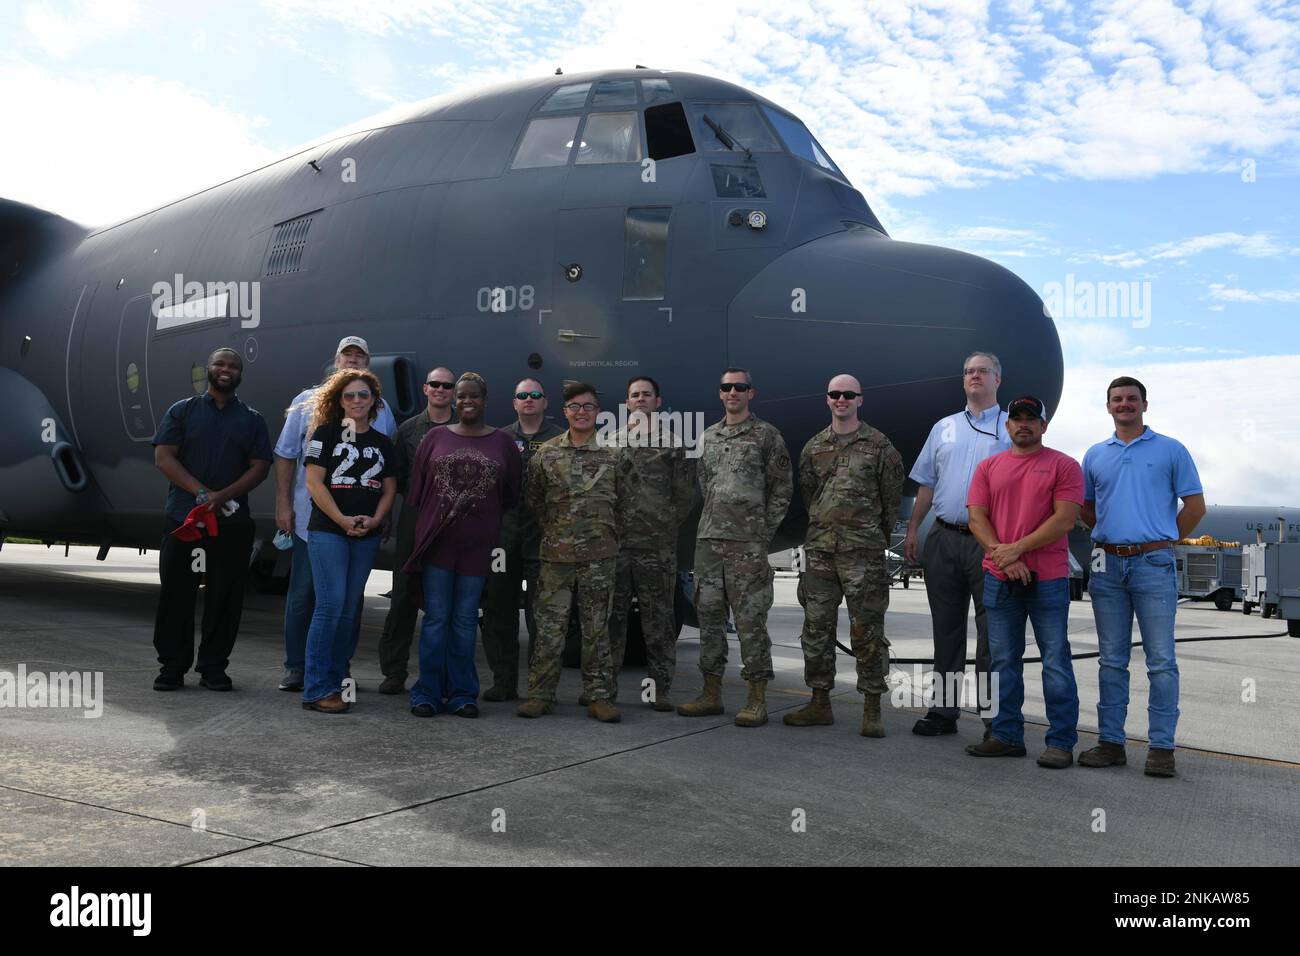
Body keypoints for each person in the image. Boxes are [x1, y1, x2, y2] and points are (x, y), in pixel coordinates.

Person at [1079, 377, 1205, 778]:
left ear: (1145, 405)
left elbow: (1195, 506)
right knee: (1111, 660)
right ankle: (1110, 743)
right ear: (1108, 407)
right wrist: (1113, 534)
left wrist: (1163, 539)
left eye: (1132, 398)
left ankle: (1162, 747)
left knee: (1161, 661)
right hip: (1108, 566)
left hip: (1154, 564)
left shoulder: (1171, 450)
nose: (1124, 404)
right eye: (1117, 399)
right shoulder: (1095, 455)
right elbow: (1085, 507)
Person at [964, 396, 1083, 767]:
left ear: (1044, 426)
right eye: (1017, 418)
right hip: (1000, 579)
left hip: (1047, 580)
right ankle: (1006, 735)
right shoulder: (988, 467)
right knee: (1002, 661)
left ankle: (1060, 742)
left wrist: (1015, 549)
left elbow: (1064, 520)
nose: (1023, 424)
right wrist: (1004, 556)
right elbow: (977, 518)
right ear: (1007, 426)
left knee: (1055, 660)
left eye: (1031, 418)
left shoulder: (1064, 466)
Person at [273, 336, 396, 692]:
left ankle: (340, 666)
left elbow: (385, 468)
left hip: (363, 524)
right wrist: (283, 504)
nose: (353, 360)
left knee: (349, 601)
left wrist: (382, 515)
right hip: (314, 520)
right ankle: (298, 667)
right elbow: (286, 454)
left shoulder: (382, 410)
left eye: (360, 355)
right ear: (335, 360)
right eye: (347, 355)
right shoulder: (306, 404)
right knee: (304, 594)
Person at [785, 374, 904, 737]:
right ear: (827, 399)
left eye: (848, 395)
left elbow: (891, 500)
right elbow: (810, 495)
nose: (842, 399)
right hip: (821, 551)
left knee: (867, 630)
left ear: (859, 400)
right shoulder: (814, 447)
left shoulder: (879, 446)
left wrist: (869, 536)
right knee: (816, 629)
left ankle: (872, 708)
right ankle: (819, 702)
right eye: (835, 394)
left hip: (863, 553)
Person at [150, 347, 272, 691]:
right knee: (177, 595)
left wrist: (224, 496)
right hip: (184, 521)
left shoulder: (252, 420)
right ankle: (172, 667)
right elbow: (164, 457)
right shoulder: (182, 411)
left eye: (233, 365)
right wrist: (203, 494)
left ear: (240, 374)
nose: (225, 369)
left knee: (225, 598)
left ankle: (213, 668)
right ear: (208, 369)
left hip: (231, 525)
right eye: (220, 363)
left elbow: (260, 467)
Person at [904, 351, 1011, 737]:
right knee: (946, 630)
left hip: (991, 542)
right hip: (944, 537)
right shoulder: (944, 428)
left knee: (992, 635)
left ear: (998, 380)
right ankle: (943, 711)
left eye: (983, 371)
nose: (974, 376)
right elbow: (927, 483)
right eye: (969, 372)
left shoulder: (1010, 428)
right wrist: (913, 529)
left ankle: (994, 718)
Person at [402, 373, 521, 717]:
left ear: (485, 400)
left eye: (474, 396)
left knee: (466, 621)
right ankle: (426, 692)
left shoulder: (503, 443)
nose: (467, 401)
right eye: (462, 396)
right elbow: (417, 494)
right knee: (437, 619)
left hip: (477, 549)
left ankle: (462, 693)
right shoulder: (434, 438)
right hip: (437, 546)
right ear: (455, 401)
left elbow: (510, 496)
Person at [678, 368, 792, 727]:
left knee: (750, 621)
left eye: (739, 387)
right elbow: (705, 483)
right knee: (710, 619)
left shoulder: (767, 436)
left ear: (750, 393)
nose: (732, 392)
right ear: (720, 393)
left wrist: (761, 534)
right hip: (709, 543)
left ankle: (756, 698)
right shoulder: (709, 436)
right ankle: (711, 694)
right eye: (726, 387)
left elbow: (782, 488)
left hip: (747, 545)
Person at [517, 383, 625, 722]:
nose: (581, 412)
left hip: (599, 558)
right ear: (564, 412)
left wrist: (604, 536)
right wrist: (559, 532)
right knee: (549, 628)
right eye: (575, 407)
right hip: (556, 557)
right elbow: (534, 500)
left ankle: (599, 697)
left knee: (597, 629)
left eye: (588, 406)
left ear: (598, 412)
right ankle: (540, 695)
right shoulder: (547, 454)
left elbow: (627, 503)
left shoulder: (614, 455)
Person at [300, 369, 397, 713]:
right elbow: (314, 483)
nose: (356, 400)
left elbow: (389, 489)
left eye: (363, 395)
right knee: (330, 606)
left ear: (374, 401)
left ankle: (338, 680)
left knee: (349, 609)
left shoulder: (383, 443)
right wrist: (341, 520)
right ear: (339, 400)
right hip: (329, 531)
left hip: (365, 535)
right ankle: (315, 688)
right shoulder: (324, 434)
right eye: (349, 395)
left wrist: (376, 519)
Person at [606, 376, 696, 711]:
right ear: (627, 402)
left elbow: (685, 496)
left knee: (658, 621)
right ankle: (605, 690)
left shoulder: (673, 445)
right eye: (635, 395)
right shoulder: (610, 444)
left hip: (656, 548)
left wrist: (662, 525)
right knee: (612, 621)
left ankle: (659, 689)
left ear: (658, 401)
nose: (641, 399)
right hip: (617, 547)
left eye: (647, 394)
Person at [479, 379, 564, 701]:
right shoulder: (499, 439)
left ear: (545, 402)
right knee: (499, 609)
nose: (529, 399)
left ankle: (541, 687)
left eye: (535, 395)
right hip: (503, 537)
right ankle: (504, 682)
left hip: (543, 535)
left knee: (543, 614)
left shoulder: (560, 439)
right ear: (514, 402)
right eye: (522, 395)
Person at [377, 366, 458, 694]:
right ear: (425, 388)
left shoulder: (463, 428)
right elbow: (393, 478)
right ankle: (394, 671)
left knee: (446, 598)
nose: (440, 389)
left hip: (454, 518)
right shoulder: (408, 430)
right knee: (404, 594)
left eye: (447, 386)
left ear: (453, 391)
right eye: (435, 384)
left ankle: (441, 673)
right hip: (415, 514)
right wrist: (389, 515)